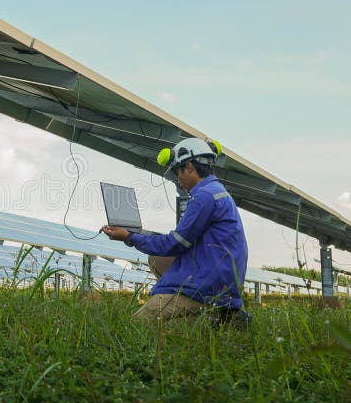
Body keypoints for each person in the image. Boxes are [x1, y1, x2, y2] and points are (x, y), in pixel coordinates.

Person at [101, 137, 250, 325]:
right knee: (157, 259)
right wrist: (140, 236)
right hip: (219, 273)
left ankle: (219, 315)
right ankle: (217, 315)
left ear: (189, 166)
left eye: (177, 172)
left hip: (209, 283)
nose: (178, 180)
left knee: (139, 324)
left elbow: (176, 243)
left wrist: (130, 237)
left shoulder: (203, 197)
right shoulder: (216, 190)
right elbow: (180, 240)